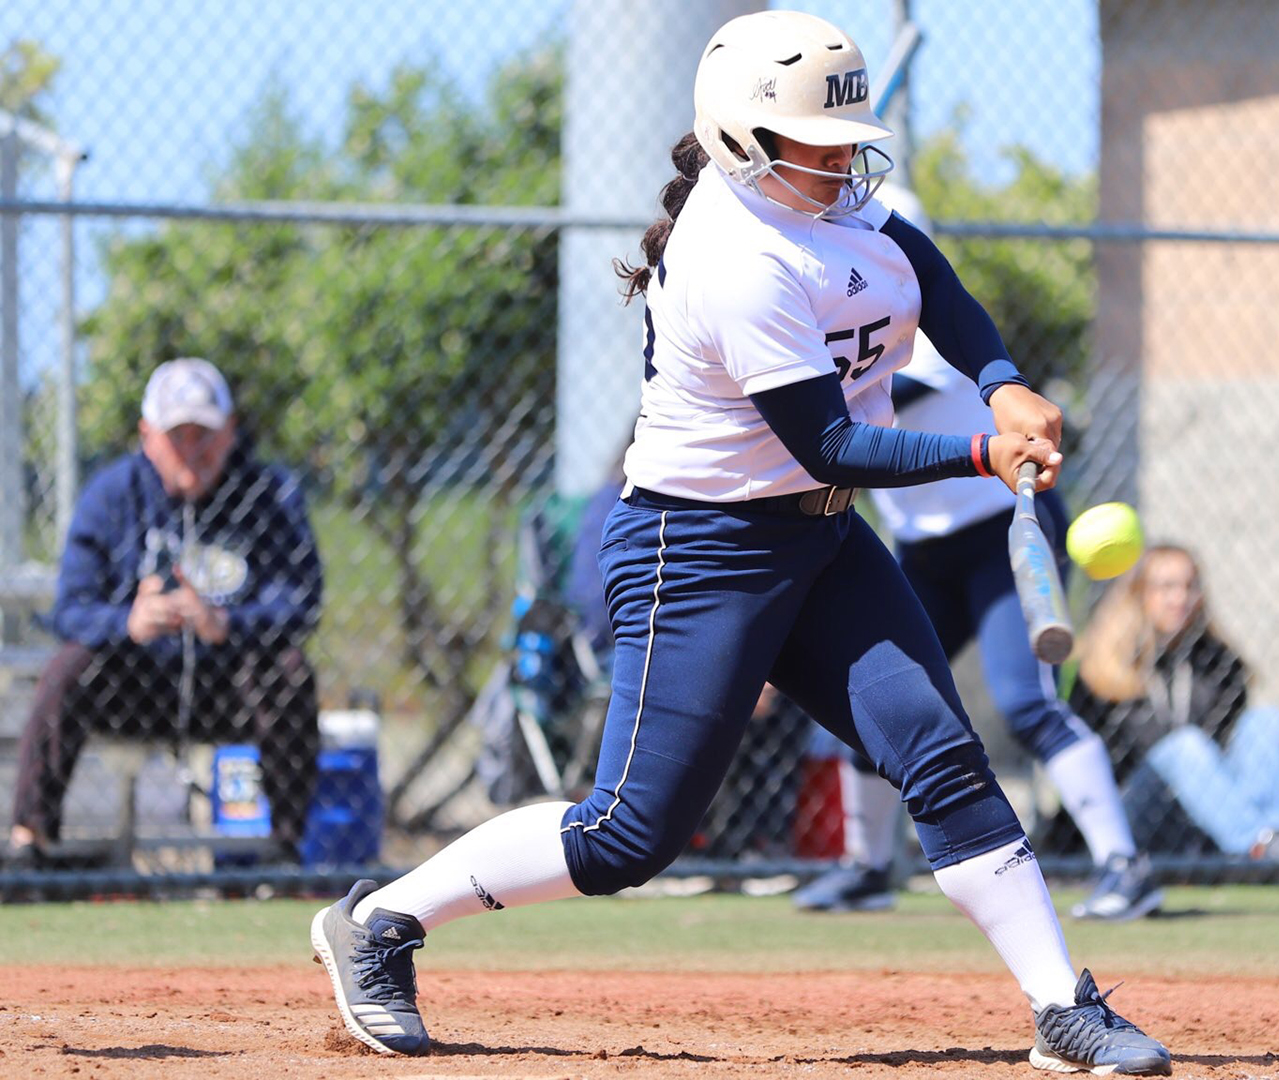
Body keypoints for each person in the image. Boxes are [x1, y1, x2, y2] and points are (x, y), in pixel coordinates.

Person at [310, 12, 1171, 1075]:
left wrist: (1002, 382)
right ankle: (381, 920)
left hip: (823, 545)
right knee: (626, 835)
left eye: (849, 137)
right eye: (816, 139)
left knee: (943, 755)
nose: (844, 160)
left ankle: (1061, 1007)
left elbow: (936, 288)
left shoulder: (849, 206)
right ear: (741, 141)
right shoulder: (735, 256)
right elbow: (833, 443)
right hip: (697, 548)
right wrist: (986, 454)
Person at [791, 188, 1159, 922]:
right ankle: (868, 868)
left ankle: (1125, 865)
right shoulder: (816, 325)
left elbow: (862, 427)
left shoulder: (919, 332)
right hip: (925, 549)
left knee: (1026, 702)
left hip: (1002, 534)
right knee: (870, 699)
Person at [8, 357, 323, 865]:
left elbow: (301, 600)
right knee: (69, 666)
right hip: (136, 685)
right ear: (147, 434)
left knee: (287, 671)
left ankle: (283, 849)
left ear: (230, 433)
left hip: (229, 687)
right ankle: (30, 841)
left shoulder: (268, 495)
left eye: (205, 435)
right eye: (178, 435)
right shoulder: (113, 496)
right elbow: (70, 609)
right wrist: (127, 623)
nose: (192, 450)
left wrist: (227, 626)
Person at [1068, 545, 1279, 863]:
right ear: (1139, 593)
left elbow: (1227, 753)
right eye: (1166, 587)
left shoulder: (1217, 661)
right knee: (1183, 748)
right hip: (1130, 812)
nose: (1180, 598)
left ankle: (1274, 839)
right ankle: (1263, 848)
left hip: (1209, 811)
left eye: (1189, 586)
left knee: (1267, 721)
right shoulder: (1101, 670)